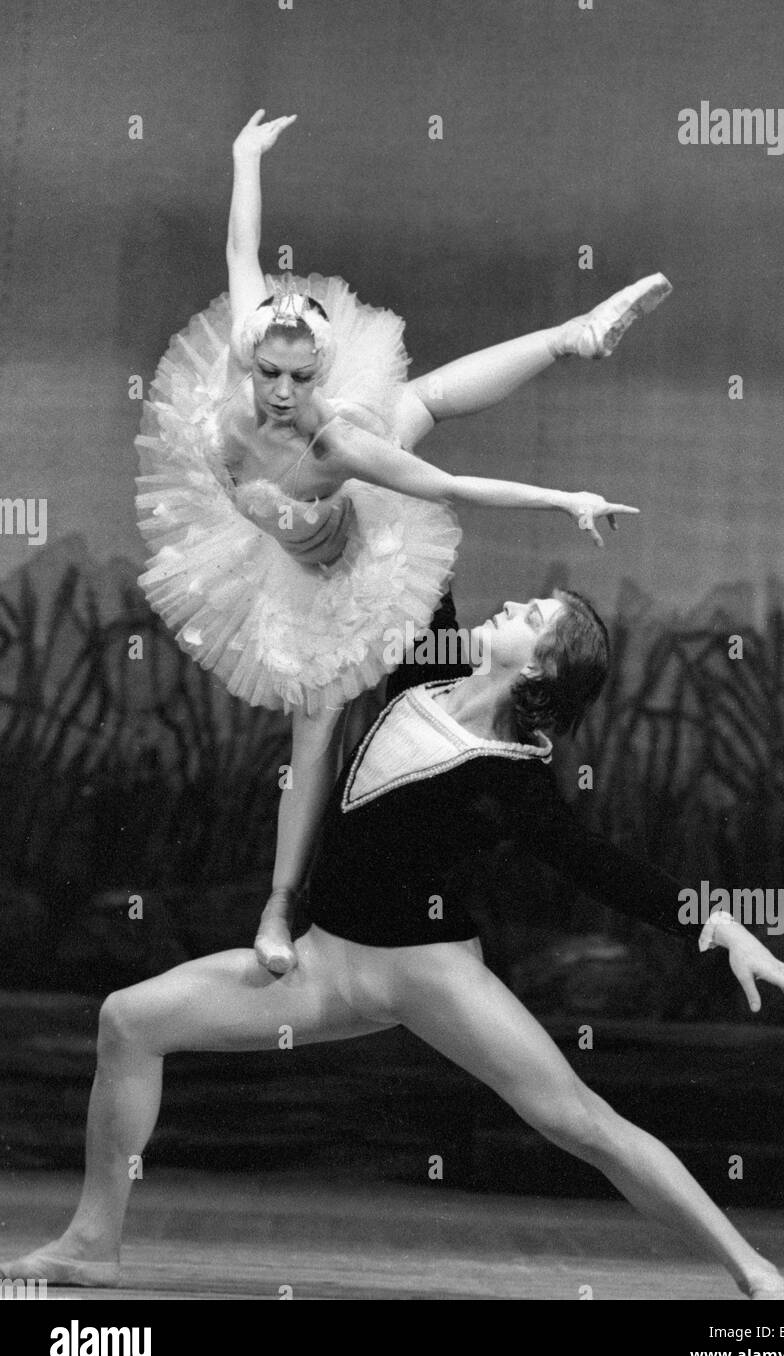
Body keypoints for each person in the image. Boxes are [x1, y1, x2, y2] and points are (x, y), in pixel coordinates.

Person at [1, 589, 784, 1300]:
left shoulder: (513, 780)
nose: (515, 607)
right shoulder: (423, 676)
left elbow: (602, 868)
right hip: (323, 965)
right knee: (127, 1020)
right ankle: (92, 1244)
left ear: (538, 671)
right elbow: (420, 558)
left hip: (431, 978)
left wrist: (718, 926)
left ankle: (755, 1275)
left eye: (533, 616)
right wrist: (381, 447)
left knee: (582, 1123)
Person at [135, 109, 671, 975]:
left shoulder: (334, 441)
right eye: (267, 373)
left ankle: (281, 906)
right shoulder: (245, 367)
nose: (276, 390)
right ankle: (570, 338)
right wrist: (242, 156)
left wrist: (564, 497)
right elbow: (242, 254)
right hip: (273, 552)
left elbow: (451, 488)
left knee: (315, 727)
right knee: (416, 401)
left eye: (299, 379)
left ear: (320, 375)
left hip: (343, 560)